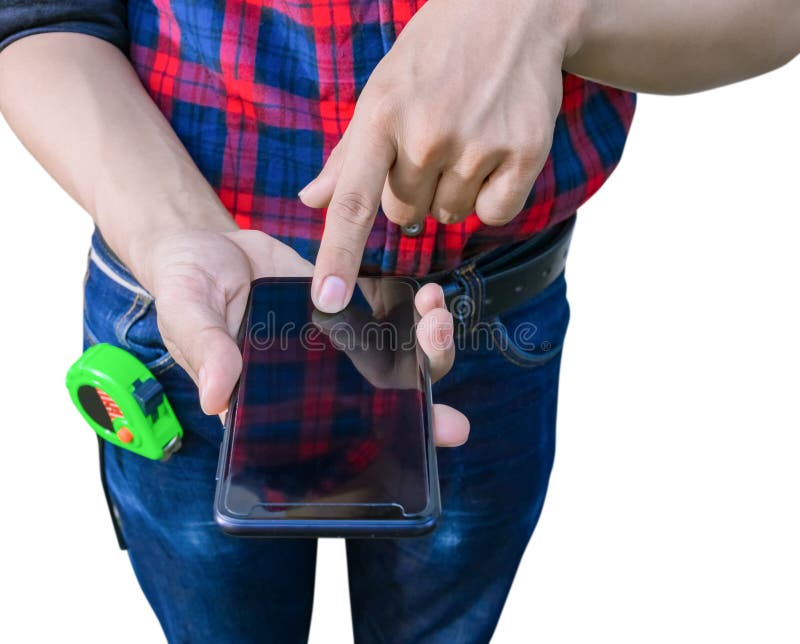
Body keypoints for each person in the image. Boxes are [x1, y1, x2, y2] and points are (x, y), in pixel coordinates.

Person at [0, 1, 796, 642]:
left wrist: (541, 12)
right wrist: (174, 229)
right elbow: (38, 16)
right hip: (189, 306)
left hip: (488, 316)